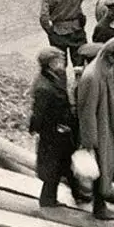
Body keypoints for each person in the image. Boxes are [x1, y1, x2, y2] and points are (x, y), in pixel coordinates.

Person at [77, 36, 114, 220]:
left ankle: (101, 203)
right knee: (100, 168)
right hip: (99, 131)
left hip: (107, 125)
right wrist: (90, 142)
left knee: (106, 166)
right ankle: (99, 208)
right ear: (111, 56)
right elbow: (87, 112)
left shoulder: (107, 69)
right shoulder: (92, 76)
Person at [29, 47, 90, 208]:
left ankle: (77, 194)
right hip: (54, 134)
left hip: (62, 131)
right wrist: (55, 128)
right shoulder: (44, 87)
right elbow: (39, 114)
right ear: (51, 63)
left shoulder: (54, 77)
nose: (63, 63)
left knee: (66, 164)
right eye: (59, 60)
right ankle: (47, 200)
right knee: (53, 169)